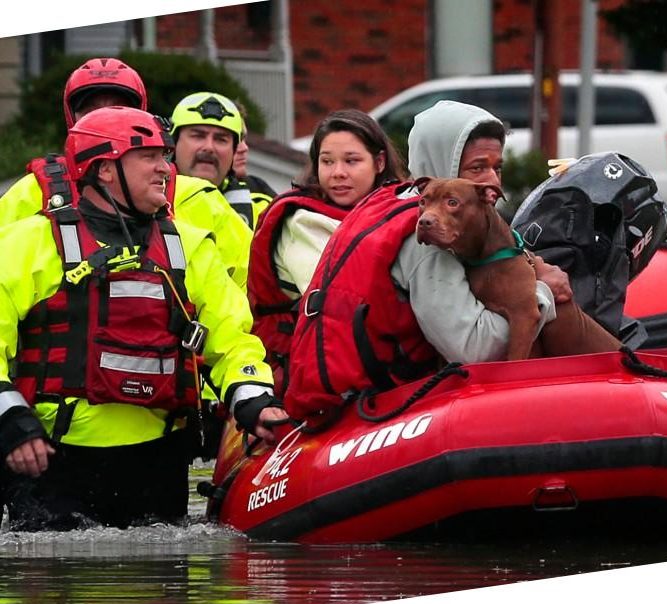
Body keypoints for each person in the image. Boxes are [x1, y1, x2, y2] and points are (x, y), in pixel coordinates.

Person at [0, 107, 285, 530]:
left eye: (165, 156)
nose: (165, 169)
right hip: (49, 459)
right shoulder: (27, 244)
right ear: (104, 170)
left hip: (157, 460)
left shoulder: (190, 245)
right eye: (148, 157)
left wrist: (253, 399)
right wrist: (12, 422)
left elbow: (233, 338)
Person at [285, 100, 621, 425]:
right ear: (440, 164)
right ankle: (625, 386)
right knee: (554, 314)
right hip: (380, 406)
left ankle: (626, 381)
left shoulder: (402, 201)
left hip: (398, 389)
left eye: (497, 167)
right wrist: (540, 295)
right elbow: (472, 350)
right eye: (477, 168)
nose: (491, 180)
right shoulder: (429, 242)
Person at [0, 58, 253, 287]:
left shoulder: (198, 198)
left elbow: (248, 289)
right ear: (71, 119)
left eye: (119, 109)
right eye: (89, 110)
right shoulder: (31, 192)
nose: (104, 119)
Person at [248, 109, 407, 391]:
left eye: (352, 161)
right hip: (311, 380)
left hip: (383, 369)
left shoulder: (397, 210)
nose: (338, 173)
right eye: (327, 162)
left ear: (379, 162)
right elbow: (341, 298)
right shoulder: (301, 221)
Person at [170, 91, 270, 228]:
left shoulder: (265, 214)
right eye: (198, 136)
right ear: (173, 143)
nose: (209, 147)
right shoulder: (146, 203)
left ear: (234, 150)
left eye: (220, 139)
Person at [231, 101, 277, 215]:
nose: (244, 148)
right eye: (235, 140)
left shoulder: (259, 188)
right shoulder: (181, 190)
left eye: (244, 138)